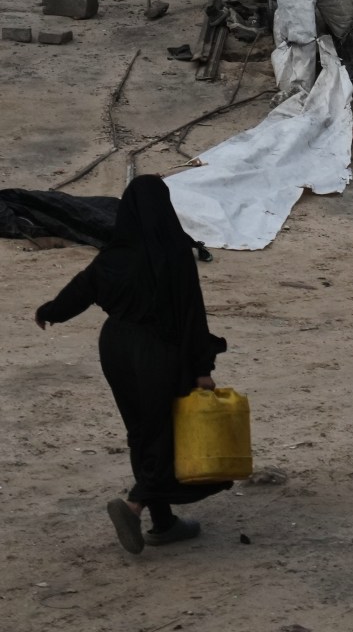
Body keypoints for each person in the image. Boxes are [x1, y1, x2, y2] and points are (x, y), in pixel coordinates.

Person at [32, 175, 231, 554]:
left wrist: (50, 312)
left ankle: (164, 522)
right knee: (163, 431)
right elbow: (191, 316)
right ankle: (133, 505)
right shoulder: (174, 254)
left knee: (142, 429)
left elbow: (81, 290)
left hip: (116, 346)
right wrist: (203, 368)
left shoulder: (114, 254)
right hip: (159, 350)